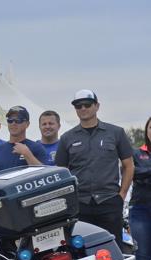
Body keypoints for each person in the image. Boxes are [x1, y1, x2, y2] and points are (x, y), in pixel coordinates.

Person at [55, 89, 134, 250]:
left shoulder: (116, 133)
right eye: (78, 106)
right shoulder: (67, 138)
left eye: (87, 104)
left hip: (109, 201)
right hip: (80, 204)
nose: (83, 108)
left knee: (113, 250)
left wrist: (121, 195)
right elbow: (60, 173)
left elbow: (129, 165)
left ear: (97, 106)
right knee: (82, 251)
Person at [129, 116, 151, 260]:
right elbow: (133, 172)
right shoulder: (136, 153)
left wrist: (146, 172)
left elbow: (143, 173)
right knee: (142, 252)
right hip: (140, 209)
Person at [0, 106, 47, 173]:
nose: (13, 123)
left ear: (27, 124)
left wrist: (27, 154)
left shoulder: (37, 148)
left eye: (18, 120)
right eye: (10, 120)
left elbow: (44, 174)